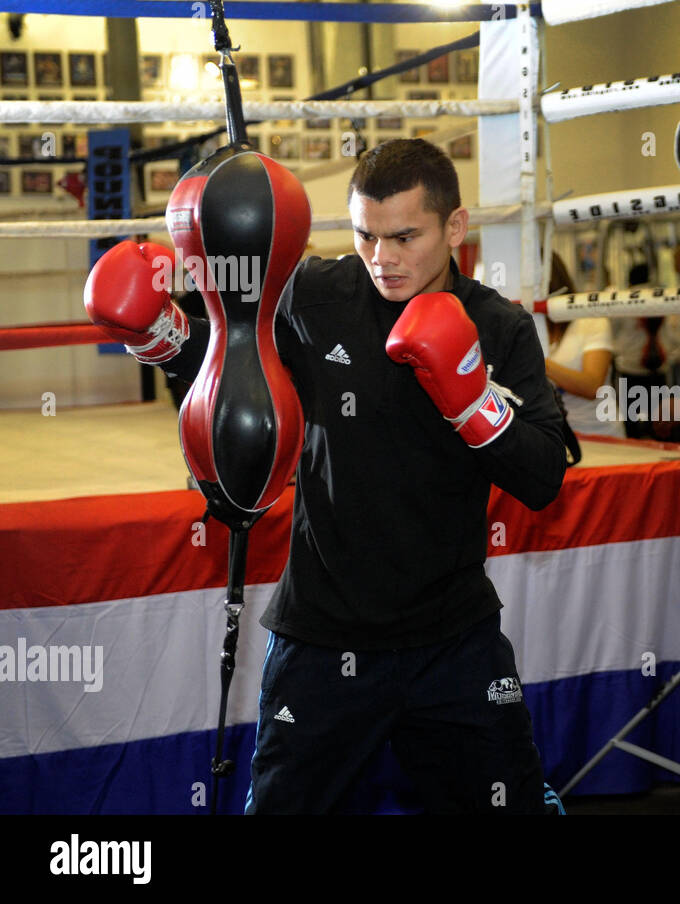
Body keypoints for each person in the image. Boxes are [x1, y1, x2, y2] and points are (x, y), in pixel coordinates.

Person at [84, 138, 567, 813]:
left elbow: (544, 477)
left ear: (455, 227)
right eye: (366, 235)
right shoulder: (315, 296)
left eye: (405, 237)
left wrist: (473, 402)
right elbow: (227, 364)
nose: (382, 258)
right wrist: (158, 332)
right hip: (322, 634)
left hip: (453, 642)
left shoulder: (499, 327)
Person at [543, 254, 624, 437]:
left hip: (599, 434)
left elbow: (591, 386)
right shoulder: (531, 322)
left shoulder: (589, 319)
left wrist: (538, 362)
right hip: (554, 436)